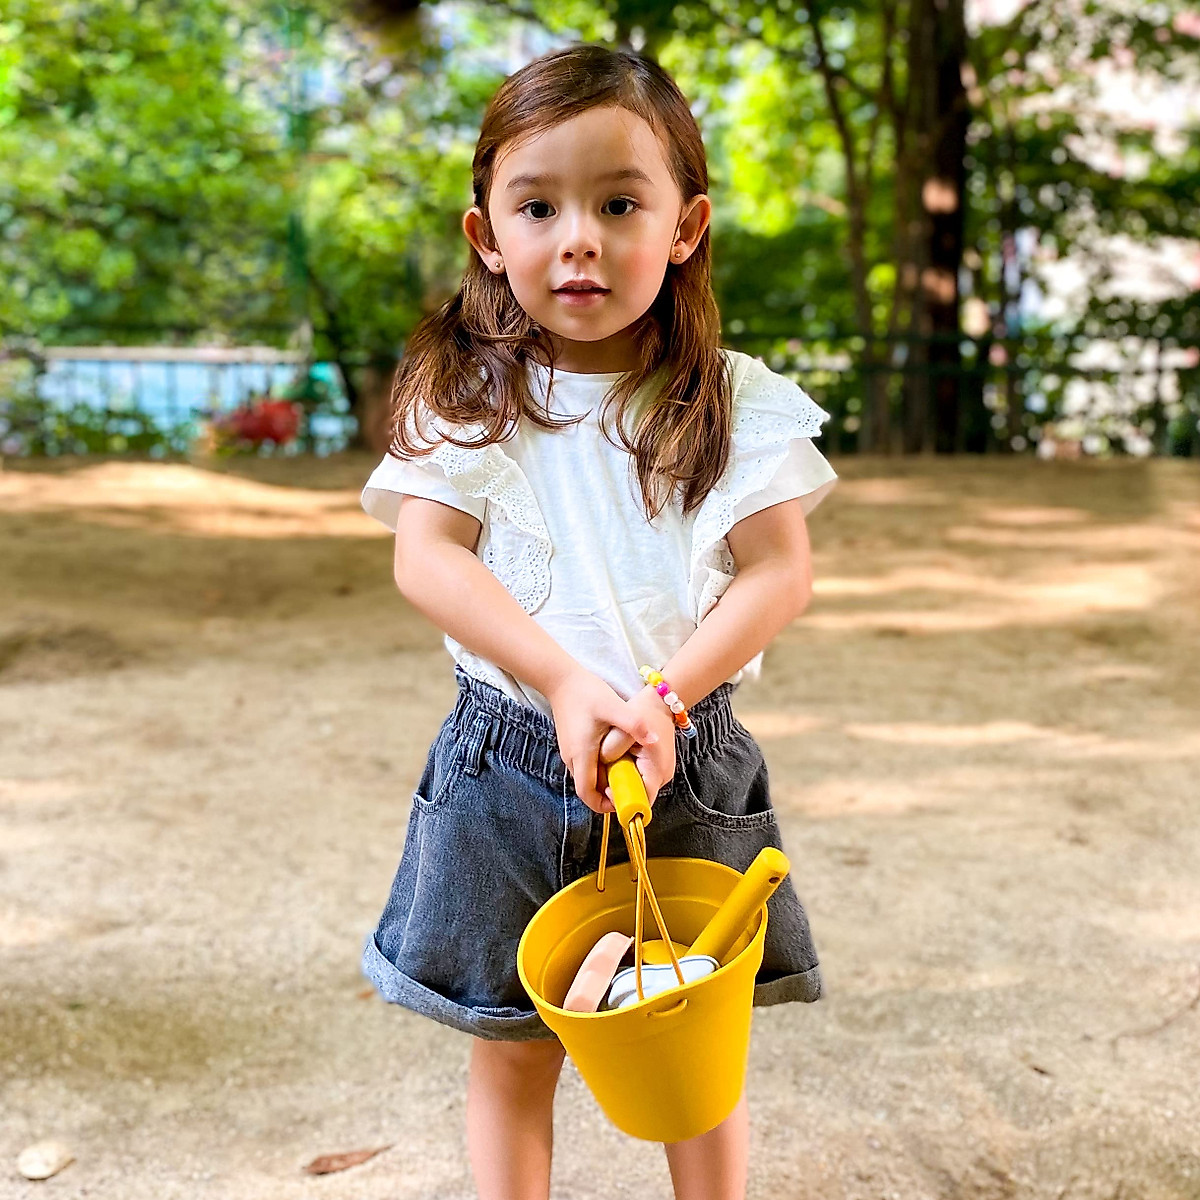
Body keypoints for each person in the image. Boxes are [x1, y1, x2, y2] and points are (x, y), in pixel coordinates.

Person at [358, 41, 838, 1200]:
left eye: (620, 202)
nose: (579, 236)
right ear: (488, 234)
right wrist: (567, 681)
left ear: (685, 227)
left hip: (688, 754)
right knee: (514, 1049)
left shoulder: (733, 400)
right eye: (540, 205)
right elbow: (426, 556)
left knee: (695, 1053)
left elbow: (777, 574)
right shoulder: (466, 394)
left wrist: (666, 696)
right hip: (504, 762)